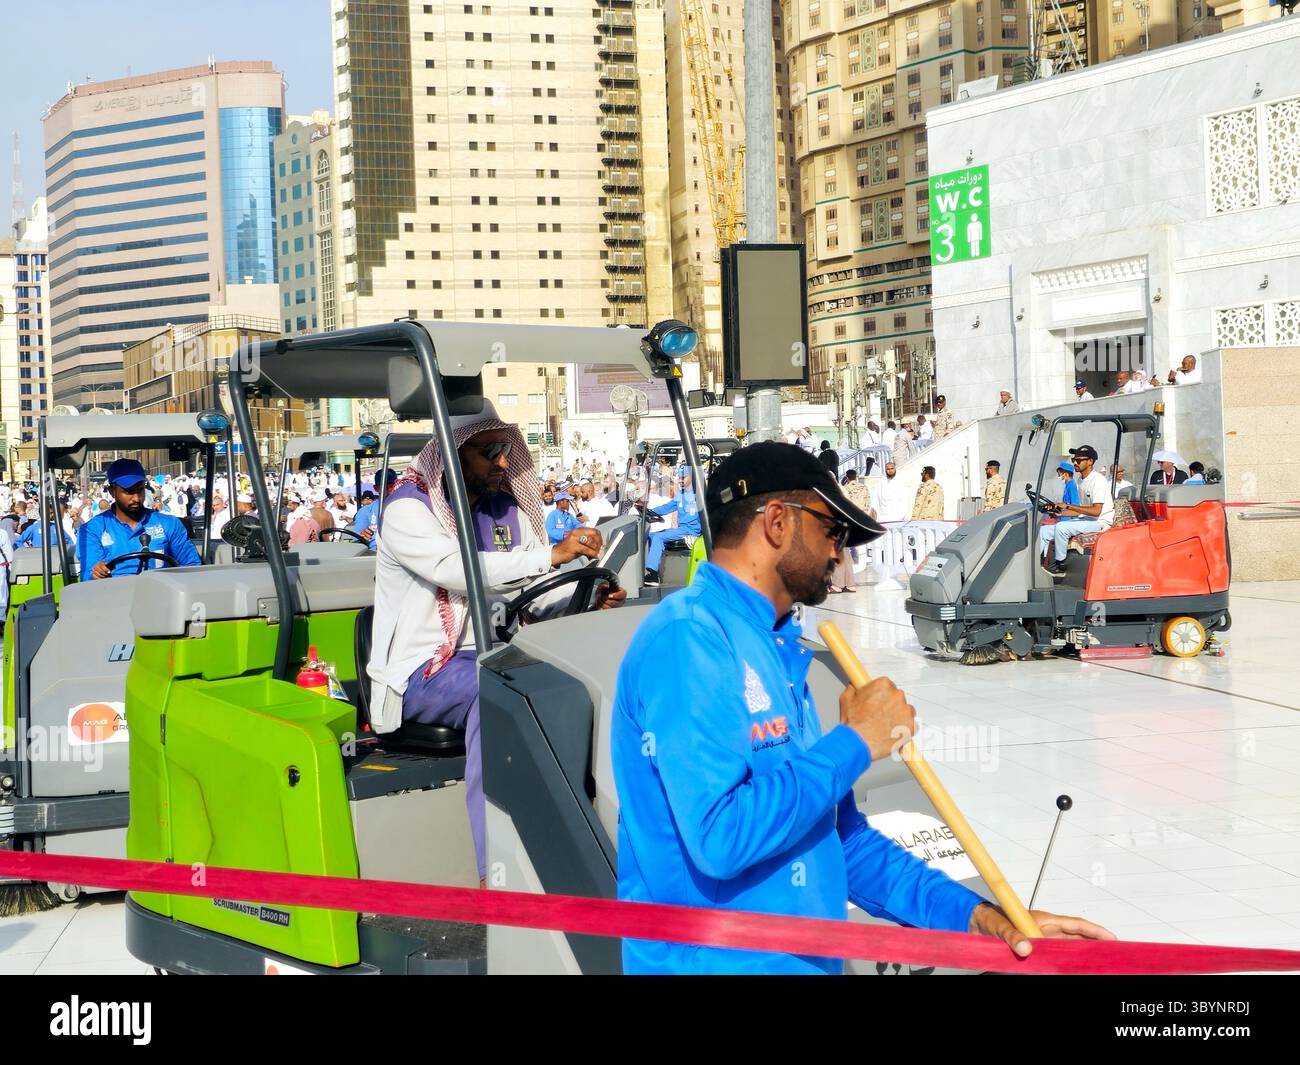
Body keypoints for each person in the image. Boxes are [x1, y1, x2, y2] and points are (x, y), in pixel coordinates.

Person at [610, 441, 1113, 973]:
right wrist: (853, 743)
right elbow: (721, 838)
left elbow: (843, 842)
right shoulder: (690, 639)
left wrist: (984, 920)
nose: (839, 554)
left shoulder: (775, 644)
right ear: (777, 522)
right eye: (833, 531)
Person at [367, 400, 624, 885]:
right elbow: (457, 571)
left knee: (582, 682)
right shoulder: (408, 508)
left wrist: (587, 594)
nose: (503, 462)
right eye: (490, 451)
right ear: (454, 451)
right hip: (427, 669)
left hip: (496, 652)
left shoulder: (502, 509)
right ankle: (499, 873)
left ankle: (591, 834)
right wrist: (550, 556)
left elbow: (524, 594)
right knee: (499, 697)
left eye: (506, 448)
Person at [77, 459, 202, 579]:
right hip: (113, 595)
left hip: (162, 595)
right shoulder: (91, 530)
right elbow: (88, 575)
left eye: (140, 489)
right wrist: (97, 573)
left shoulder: (169, 524)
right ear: (112, 491)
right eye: (129, 491)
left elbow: (192, 567)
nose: (136, 498)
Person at [1038, 445, 1113, 579]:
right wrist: (1061, 513)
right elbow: (1082, 511)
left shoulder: (1098, 481)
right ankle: (1039, 563)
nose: (1075, 463)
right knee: (1044, 531)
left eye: (1079, 460)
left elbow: (1096, 511)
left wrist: (1067, 506)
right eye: (1074, 460)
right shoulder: (1080, 481)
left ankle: (1060, 565)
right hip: (1087, 519)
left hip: (1100, 521)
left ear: (1090, 461)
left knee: (1061, 527)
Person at [640, 471, 702, 585]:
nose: (680, 480)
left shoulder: (699, 496)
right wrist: (649, 512)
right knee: (649, 536)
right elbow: (666, 508)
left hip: (691, 531)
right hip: (681, 530)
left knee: (658, 537)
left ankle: (653, 575)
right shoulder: (681, 495)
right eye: (679, 477)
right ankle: (645, 571)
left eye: (683, 477)